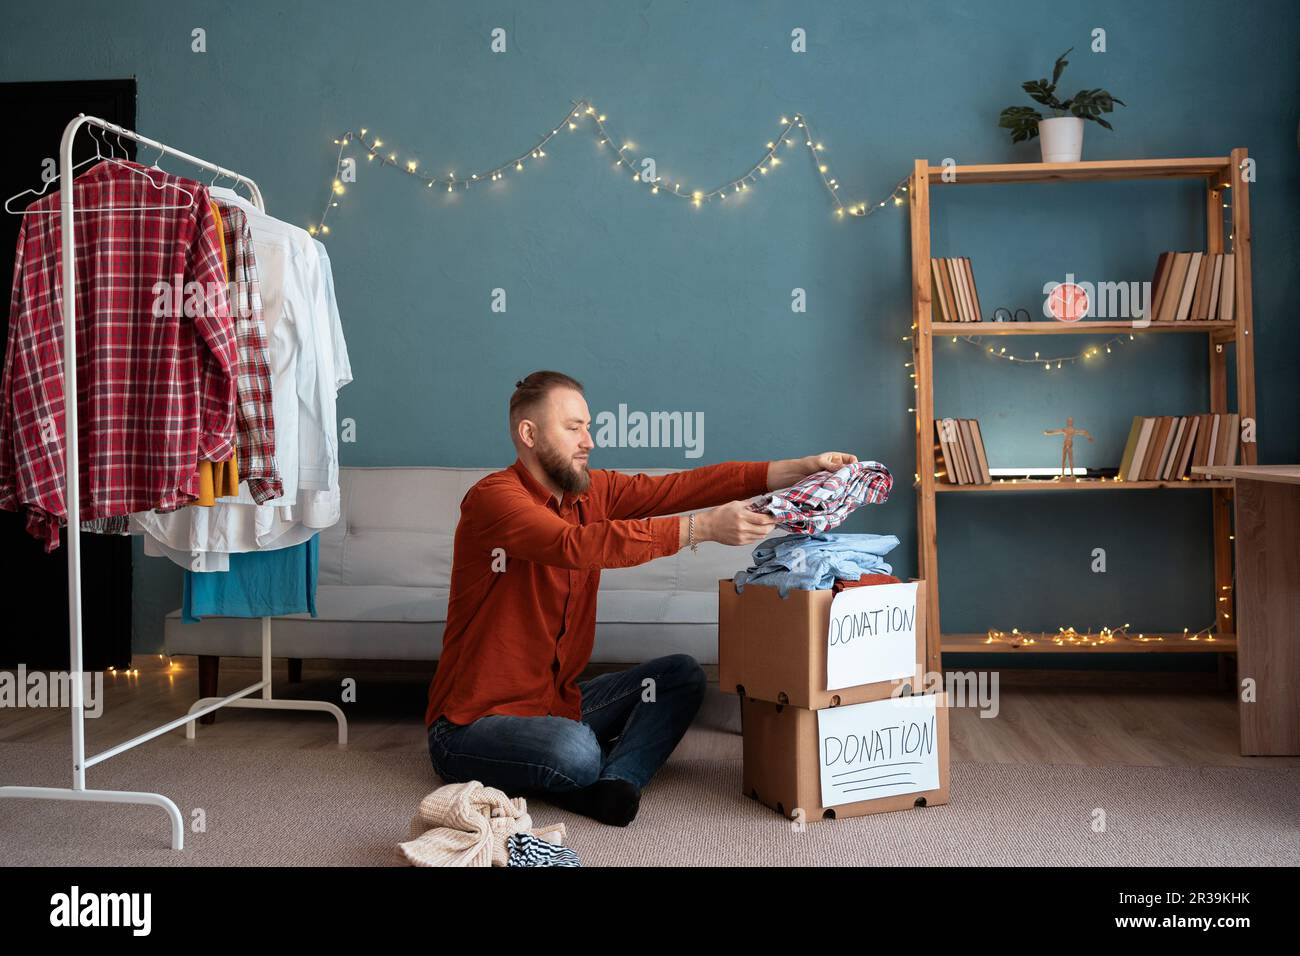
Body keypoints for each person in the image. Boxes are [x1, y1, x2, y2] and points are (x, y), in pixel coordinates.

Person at [424, 369, 859, 825]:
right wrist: (703, 528)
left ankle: (616, 783)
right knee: (573, 749)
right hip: (471, 726)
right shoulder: (494, 499)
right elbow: (572, 546)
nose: (588, 440)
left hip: (556, 702)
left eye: (587, 427)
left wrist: (803, 466)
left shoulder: (595, 491)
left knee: (680, 677)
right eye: (573, 428)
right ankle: (592, 770)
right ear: (528, 434)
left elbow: (688, 487)